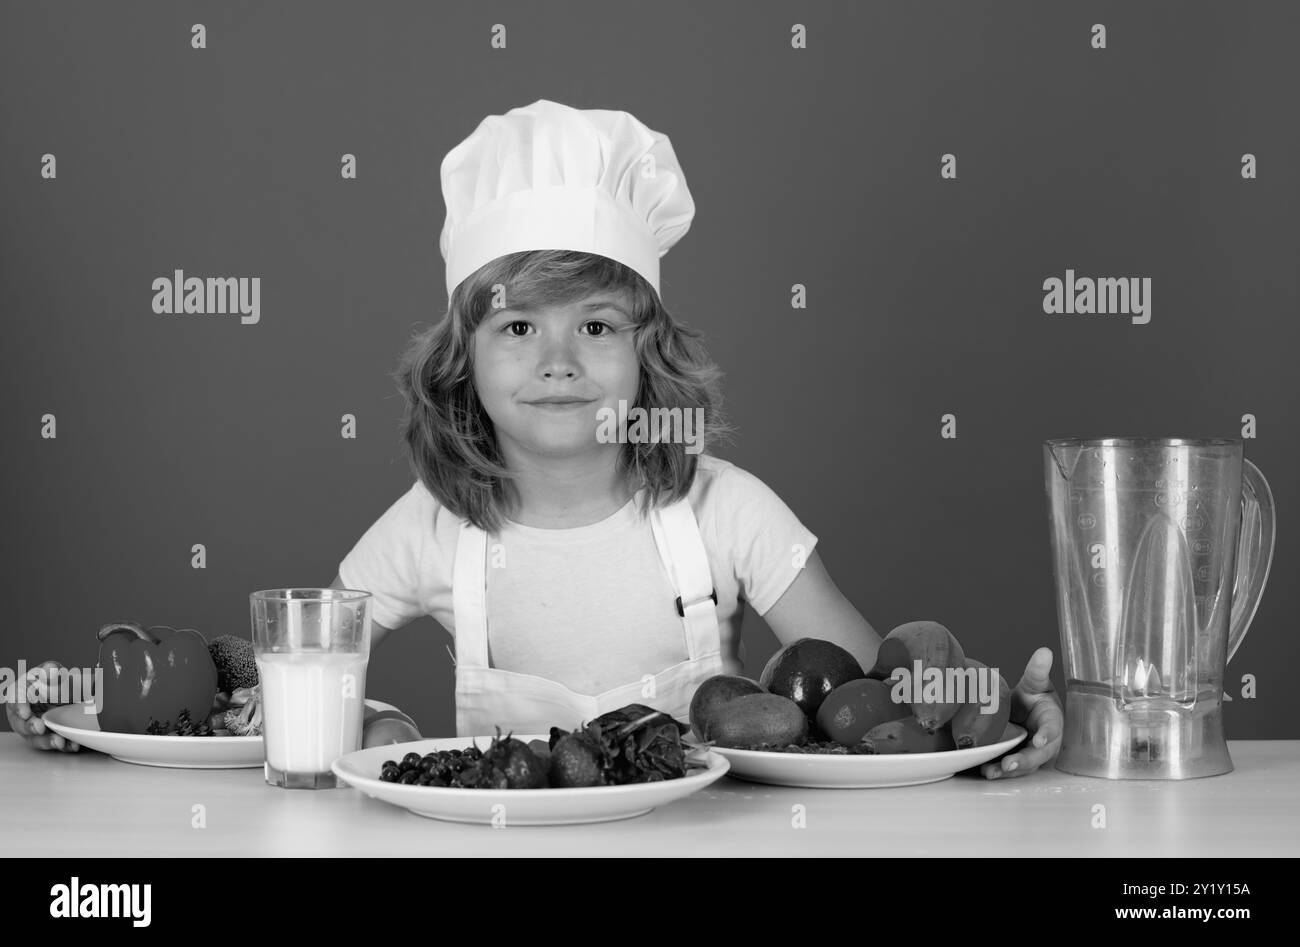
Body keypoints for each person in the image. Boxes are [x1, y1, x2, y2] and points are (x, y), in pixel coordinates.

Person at [11, 100, 1062, 779]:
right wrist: (97, 703)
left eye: (597, 325)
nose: (558, 357)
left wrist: (988, 711)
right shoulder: (433, 528)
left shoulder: (724, 509)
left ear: (649, 357)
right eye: (518, 325)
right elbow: (286, 678)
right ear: (463, 357)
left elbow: (861, 703)